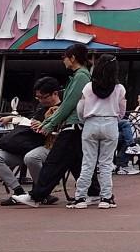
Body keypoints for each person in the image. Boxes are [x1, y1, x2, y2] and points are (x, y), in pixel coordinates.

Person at [14, 45, 93, 206]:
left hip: (72, 125)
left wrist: (49, 124)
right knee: (76, 163)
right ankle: (95, 191)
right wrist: (48, 123)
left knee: (54, 163)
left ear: (72, 58)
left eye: (64, 57)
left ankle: (36, 196)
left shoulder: (81, 76)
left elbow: (68, 104)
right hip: (75, 125)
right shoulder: (80, 76)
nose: (63, 61)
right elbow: (67, 105)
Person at [0, 78, 58, 198]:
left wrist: (45, 127)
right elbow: (28, 119)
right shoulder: (40, 107)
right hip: (26, 145)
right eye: (38, 97)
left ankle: (42, 192)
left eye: (44, 97)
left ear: (55, 93)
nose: (41, 100)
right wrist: (12, 118)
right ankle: (18, 191)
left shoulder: (62, 108)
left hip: (47, 145)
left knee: (31, 157)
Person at [72, 54, 126, 209]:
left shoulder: (88, 87)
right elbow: (122, 110)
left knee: (88, 163)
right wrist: (115, 119)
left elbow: (80, 108)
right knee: (106, 164)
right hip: (110, 123)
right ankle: (106, 198)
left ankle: (80, 198)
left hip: (91, 123)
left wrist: (84, 120)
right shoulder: (119, 89)